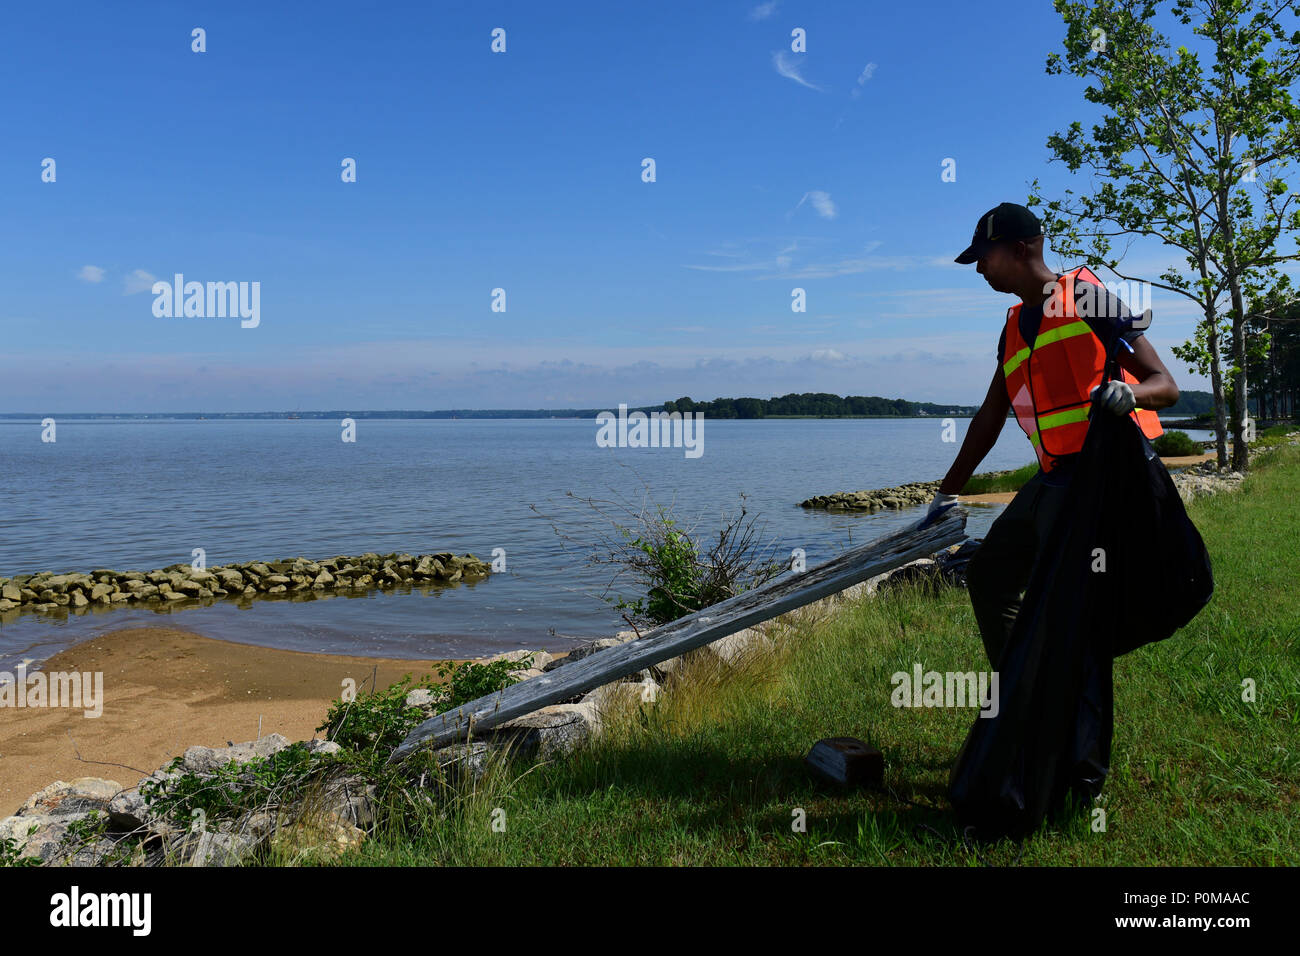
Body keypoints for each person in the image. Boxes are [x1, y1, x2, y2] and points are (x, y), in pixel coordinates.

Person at [926, 202, 1181, 667]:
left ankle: (1055, 704)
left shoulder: (1087, 295)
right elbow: (989, 415)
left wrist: (1131, 393)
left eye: (986, 255)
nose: (979, 267)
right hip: (1052, 480)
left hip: (1103, 479)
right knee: (988, 576)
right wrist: (947, 493)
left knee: (1068, 603)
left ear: (1021, 249)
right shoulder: (1012, 327)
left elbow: (1166, 386)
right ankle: (1020, 697)